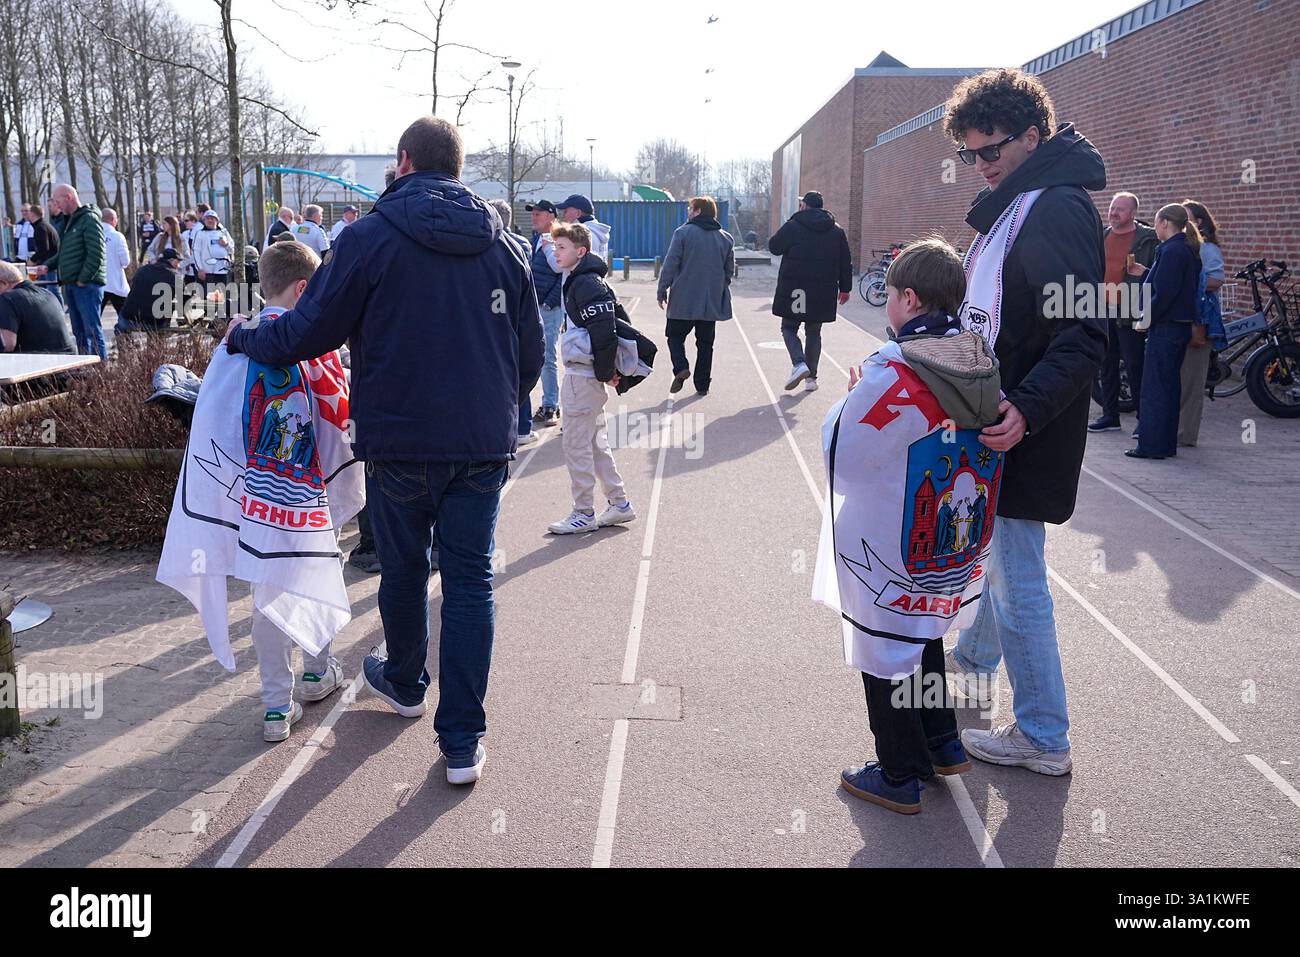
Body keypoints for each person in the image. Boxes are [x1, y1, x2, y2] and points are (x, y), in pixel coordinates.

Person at [225, 115, 543, 785]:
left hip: (400, 439)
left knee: (402, 568)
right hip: (480, 444)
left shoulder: (367, 238)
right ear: (456, 168)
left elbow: (309, 330)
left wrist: (247, 337)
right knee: (469, 580)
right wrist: (498, 410)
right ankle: (461, 740)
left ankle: (403, 679)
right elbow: (530, 353)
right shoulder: (507, 245)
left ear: (403, 161)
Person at [943, 68, 1108, 775]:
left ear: (1032, 138)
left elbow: (1085, 334)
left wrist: (1025, 407)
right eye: (969, 154)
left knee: (1018, 575)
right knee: (999, 554)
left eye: (990, 152)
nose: (979, 166)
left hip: (1025, 425)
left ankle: (1043, 732)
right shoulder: (1016, 204)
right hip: (999, 415)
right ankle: (976, 656)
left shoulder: (1059, 207)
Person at [822, 238, 998, 814]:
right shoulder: (980, 361)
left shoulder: (896, 370)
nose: (888, 305)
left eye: (892, 294)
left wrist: (848, 399)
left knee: (883, 651)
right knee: (923, 638)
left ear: (909, 298)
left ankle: (899, 773)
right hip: (948, 549)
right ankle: (940, 740)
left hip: (888, 542)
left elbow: (842, 458)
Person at [546, 220, 637, 535]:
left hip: (582, 379)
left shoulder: (586, 284)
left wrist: (605, 372)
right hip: (584, 377)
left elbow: (606, 330)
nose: (555, 252)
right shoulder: (581, 280)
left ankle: (584, 511)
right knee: (596, 443)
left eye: (562, 247)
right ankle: (619, 502)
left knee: (576, 446)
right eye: (555, 246)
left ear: (580, 251)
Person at [1126, 203, 1202, 460]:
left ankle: (1151, 445)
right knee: (1168, 386)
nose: (1154, 228)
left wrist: (1144, 318)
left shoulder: (1171, 250)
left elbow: (1165, 293)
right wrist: (1147, 273)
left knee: (1155, 387)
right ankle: (1165, 443)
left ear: (1165, 223)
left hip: (1166, 327)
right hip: (1177, 326)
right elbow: (1171, 283)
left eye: (1157, 222)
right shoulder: (1184, 249)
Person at [768, 190, 852, 393]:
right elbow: (845, 261)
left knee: (789, 327)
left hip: (796, 289)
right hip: (823, 289)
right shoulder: (836, 231)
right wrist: (845, 289)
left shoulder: (794, 226)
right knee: (814, 332)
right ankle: (811, 379)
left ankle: (799, 363)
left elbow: (774, 247)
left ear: (804, 206)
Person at [1089, 191, 1158, 433]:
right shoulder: (1103, 235)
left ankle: (1143, 419)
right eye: (1112, 207)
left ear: (1133, 213)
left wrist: (1145, 273)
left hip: (1130, 309)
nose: (1113, 212)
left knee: (1134, 364)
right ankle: (1110, 415)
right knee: (1106, 365)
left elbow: (1159, 271)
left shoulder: (1147, 239)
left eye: (1120, 209)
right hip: (1102, 309)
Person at [657, 195, 734, 396]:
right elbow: (729, 271)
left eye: (690, 208)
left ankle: (681, 366)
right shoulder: (725, 238)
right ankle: (702, 384)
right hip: (710, 301)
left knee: (674, 336)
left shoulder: (682, 233)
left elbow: (671, 263)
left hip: (683, 298)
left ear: (698, 211)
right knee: (706, 344)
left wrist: (662, 289)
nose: (688, 212)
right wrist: (718, 287)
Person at [489, 198, 541, 448]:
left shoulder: (498, 247)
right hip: (514, 309)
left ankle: (519, 423)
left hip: (500, 309)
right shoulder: (521, 244)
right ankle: (523, 424)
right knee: (518, 365)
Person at [37, 184, 107, 360]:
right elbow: (64, 253)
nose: (56, 205)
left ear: (68, 197)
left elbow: (97, 253)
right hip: (71, 284)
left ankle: (101, 371)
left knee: (92, 330)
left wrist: (83, 279)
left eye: (58, 200)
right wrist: (48, 266)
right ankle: (85, 369)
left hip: (86, 285)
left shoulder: (89, 219)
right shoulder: (69, 222)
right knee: (79, 332)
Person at [1178, 199, 1223, 447]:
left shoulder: (1206, 249)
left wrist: (1185, 285)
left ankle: (1185, 434)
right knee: (1181, 377)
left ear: (1199, 222)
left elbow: (1216, 280)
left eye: (1185, 217)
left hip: (1200, 319)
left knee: (1192, 380)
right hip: (1184, 316)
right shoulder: (1185, 246)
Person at [526, 199, 564, 426]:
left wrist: (550, 302)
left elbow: (563, 271)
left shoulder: (555, 240)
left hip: (549, 309)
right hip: (537, 306)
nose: (534, 217)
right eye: (533, 214)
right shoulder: (538, 239)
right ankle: (547, 403)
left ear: (551, 216)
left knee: (548, 356)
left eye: (538, 214)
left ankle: (551, 406)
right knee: (538, 356)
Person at [0, 260, 76, 353]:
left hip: (39, 363)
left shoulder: (7, 299)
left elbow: (7, 345)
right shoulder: (47, 293)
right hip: (68, 360)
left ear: (3, 283)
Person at [119, 247, 183, 332]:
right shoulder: (175, 276)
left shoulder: (143, 270)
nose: (178, 266)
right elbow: (182, 299)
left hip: (128, 319)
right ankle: (156, 343)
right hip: (154, 323)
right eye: (178, 262)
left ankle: (124, 344)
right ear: (171, 260)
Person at [100, 208, 131, 325]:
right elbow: (125, 261)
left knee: (94, 318)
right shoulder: (118, 236)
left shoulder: (92, 235)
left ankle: (93, 342)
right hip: (116, 284)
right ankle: (125, 341)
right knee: (124, 317)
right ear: (113, 220)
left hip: (98, 283)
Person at [556, 194, 610, 259]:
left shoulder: (586, 235)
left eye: (566, 211)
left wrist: (548, 248)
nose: (564, 215)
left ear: (578, 213)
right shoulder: (594, 232)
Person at [192, 209, 234, 290]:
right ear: (204, 220)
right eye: (208, 218)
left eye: (212, 218)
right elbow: (196, 252)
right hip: (207, 271)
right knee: (210, 296)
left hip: (222, 270)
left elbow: (232, 249)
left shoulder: (224, 232)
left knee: (223, 295)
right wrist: (200, 269)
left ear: (217, 220)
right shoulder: (200, 234)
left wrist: (226, 245)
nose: (210, 220)